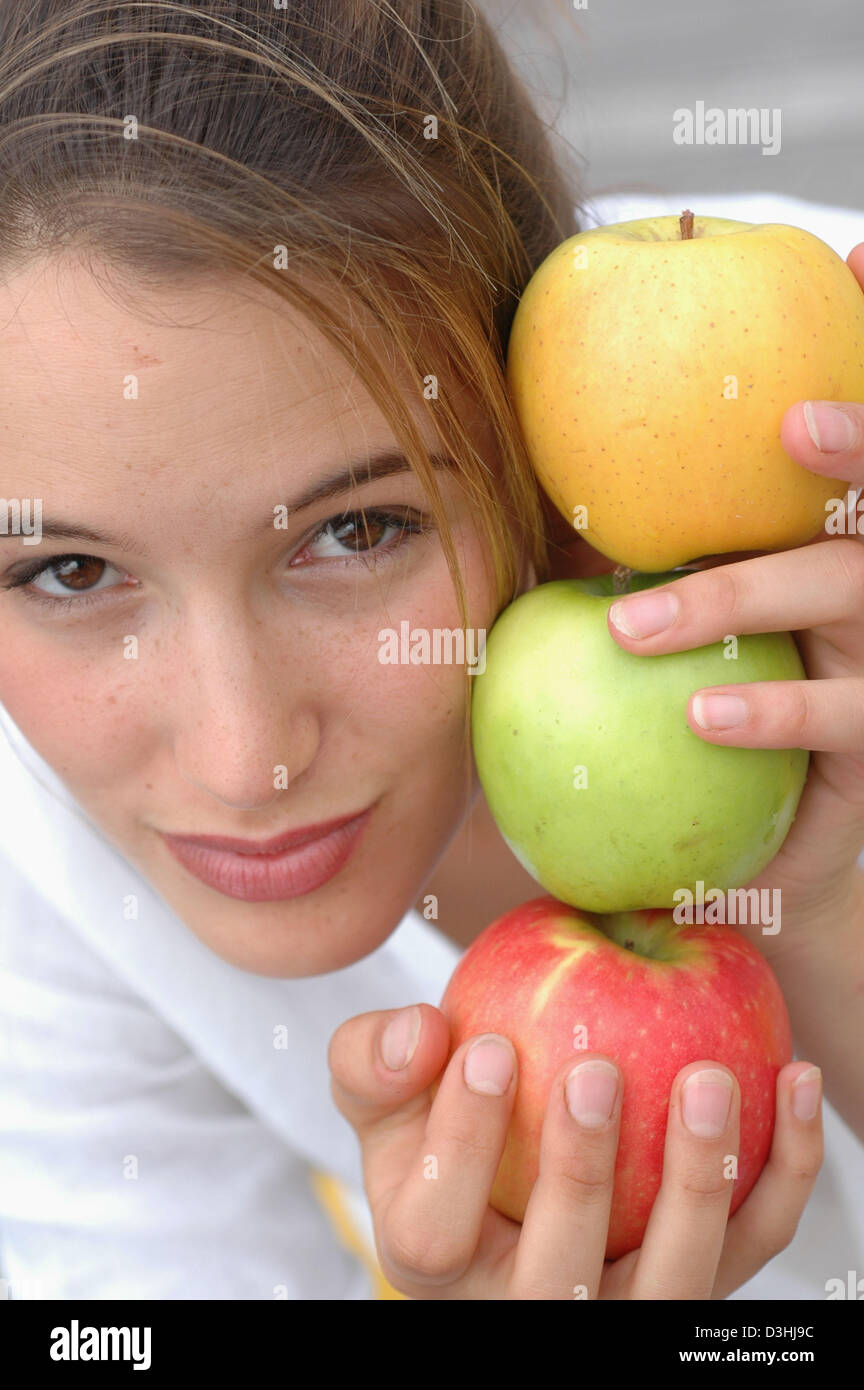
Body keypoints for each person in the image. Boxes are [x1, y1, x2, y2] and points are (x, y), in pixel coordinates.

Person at [0, 0, 859, 1300]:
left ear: (544, 434)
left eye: (354, 531)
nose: (244, 760)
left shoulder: (805, 431)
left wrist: (828, 909)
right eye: (67, 571)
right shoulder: (43, 863)